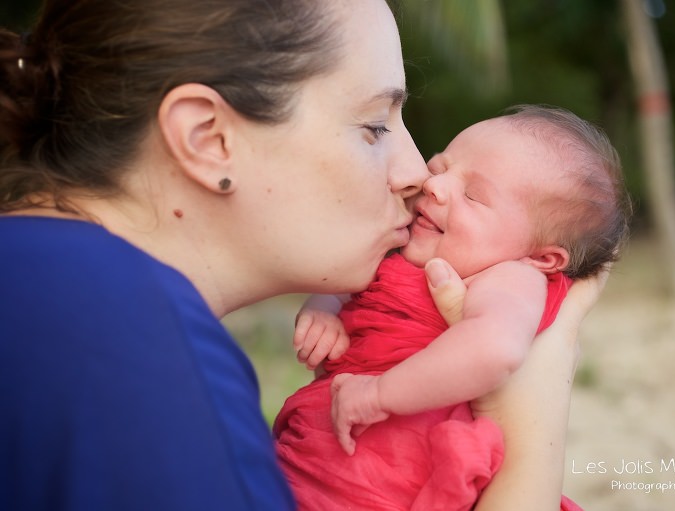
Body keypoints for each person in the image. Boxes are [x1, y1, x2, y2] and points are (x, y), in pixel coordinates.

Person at [0, 0, 605, 510]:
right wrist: (530, 426)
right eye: (374, 125)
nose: (418, 172)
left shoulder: (44, 287)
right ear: (208, 140)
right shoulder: (142, 365)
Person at [275, 105, 630, 510]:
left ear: (542, 257)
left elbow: (494, 349)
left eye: (473, 195)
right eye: (441, 165)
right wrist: (324, 306)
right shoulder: (405, 241)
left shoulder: (511, 277)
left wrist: (379, 394)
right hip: (323, 449)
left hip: (398, 470)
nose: (436, 186)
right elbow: (346, 279)